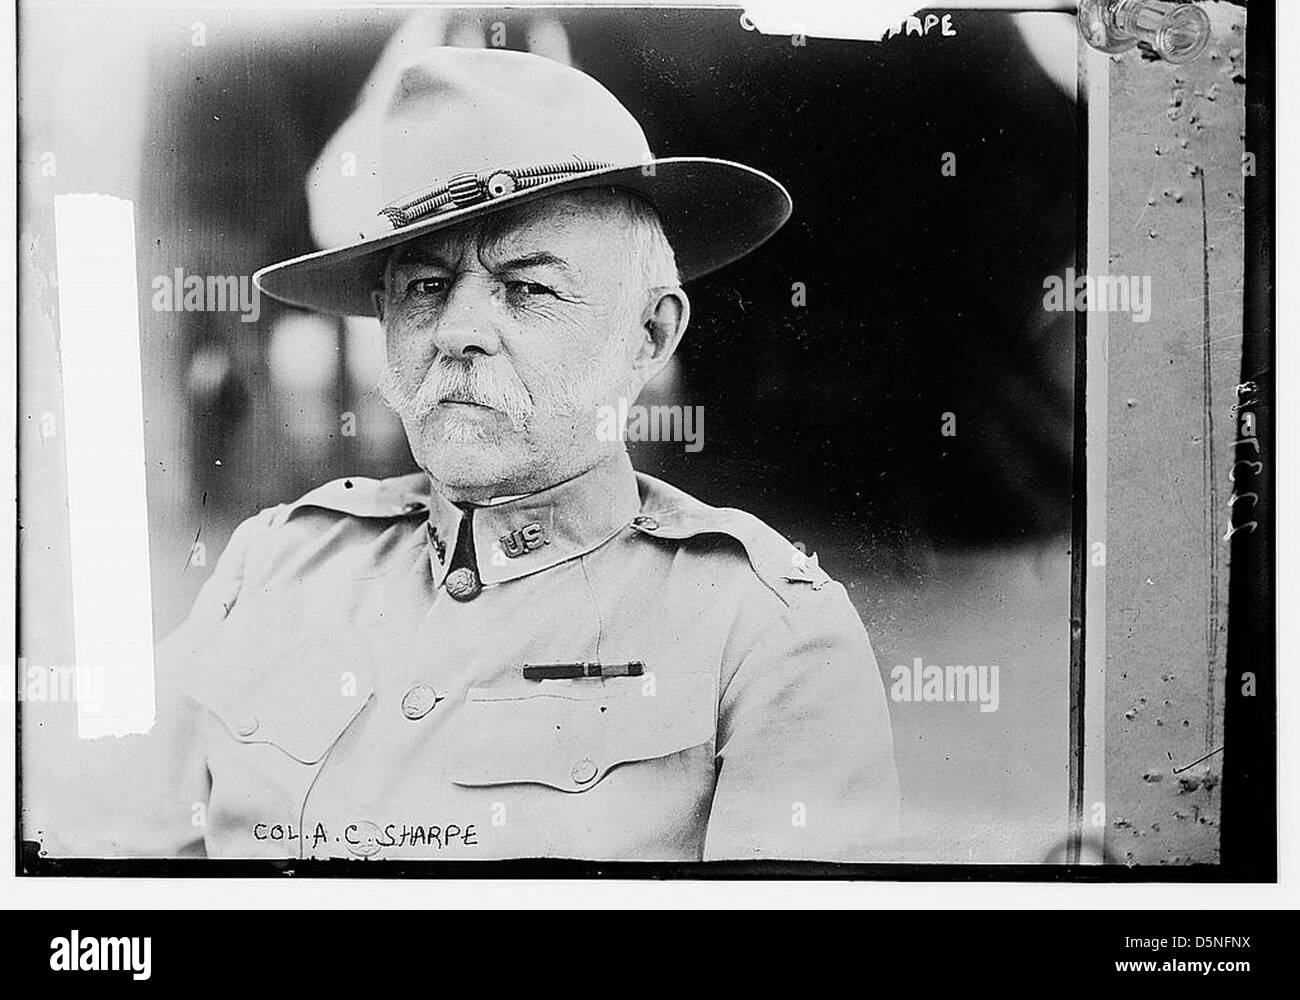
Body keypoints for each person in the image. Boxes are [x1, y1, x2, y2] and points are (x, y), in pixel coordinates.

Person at [65, 46, 899, 862]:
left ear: (650, 334)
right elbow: (107, 872)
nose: (459, 333)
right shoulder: (273, 565)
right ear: (387, 321)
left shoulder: (768, 634)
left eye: (528, 288)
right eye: (427, 287)